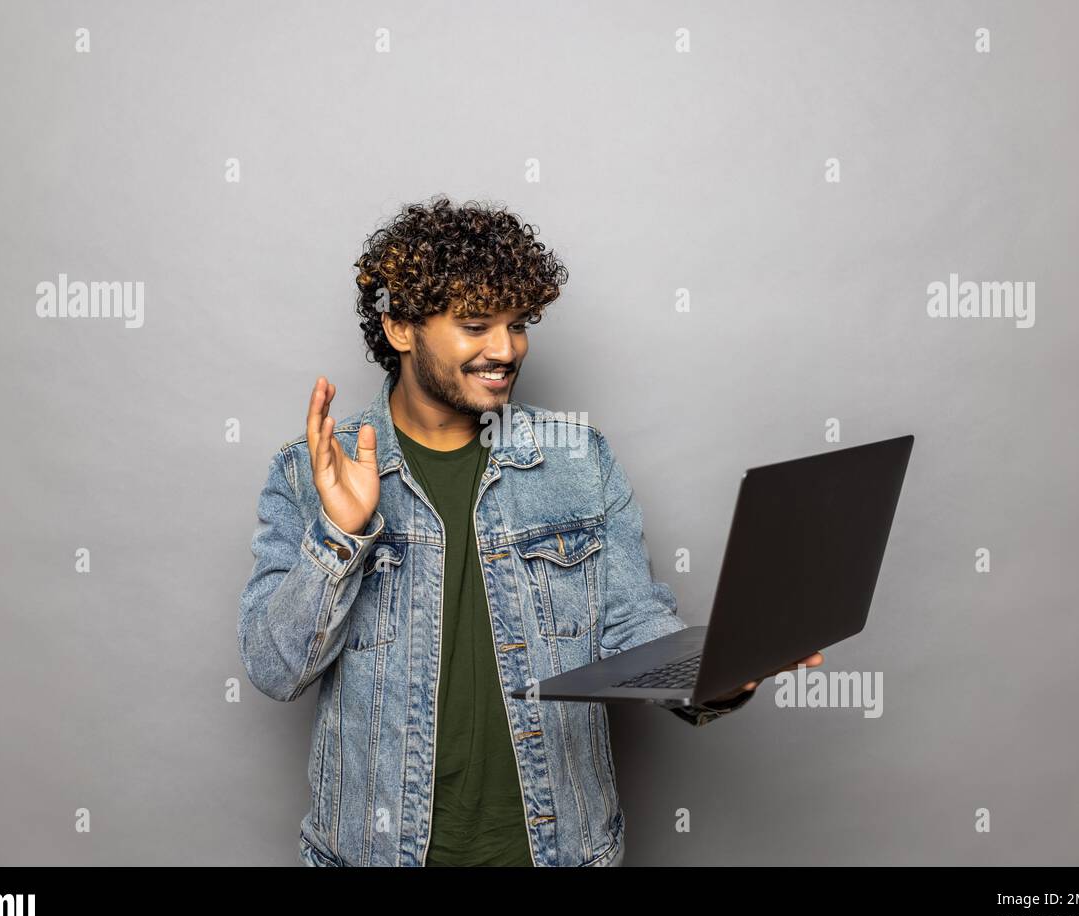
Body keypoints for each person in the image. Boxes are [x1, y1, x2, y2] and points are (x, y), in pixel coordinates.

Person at [238, 195, 823, 867]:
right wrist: (341, 533)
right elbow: (274, 667)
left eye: (518, 323)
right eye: (476, 323)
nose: (506, 348)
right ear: (400, 326)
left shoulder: (578, 458)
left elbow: (633, 628)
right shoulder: (309, 471)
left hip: (559, 854)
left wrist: (720, 669)